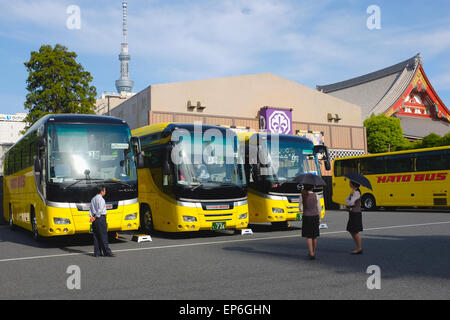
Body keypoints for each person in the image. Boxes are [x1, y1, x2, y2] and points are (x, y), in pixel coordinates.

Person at [89, 185, 115, 257]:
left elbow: (90, 209)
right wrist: (95, 217)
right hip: (100, 218)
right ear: (102, 191)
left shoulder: (93, 198)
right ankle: (107, 252)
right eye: (104, 190)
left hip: (94, 219)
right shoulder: (101, 199)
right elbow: (100, 210)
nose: (105, 192)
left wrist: (91, 217)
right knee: (103, 235)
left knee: (96, 236)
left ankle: (97, 253)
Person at [300, 184, 321, 260]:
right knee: (314, 235)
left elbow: (300, 208)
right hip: (315, 216)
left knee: (308, 236)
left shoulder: (302, 195)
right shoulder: (316, 195)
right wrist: (319, 219)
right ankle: (314, 251)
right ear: (313, 187)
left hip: (306, 217)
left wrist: (305, 210)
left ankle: (311, 252)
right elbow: (319, 208)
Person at [346, 181, 363, 254]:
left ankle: (359, 248)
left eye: (350, 183)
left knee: (355, 231)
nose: (349, 184)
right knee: (351, 230)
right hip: (352, 212)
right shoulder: (353, 191)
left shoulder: (356, 192)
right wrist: (349, 200)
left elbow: (350, 202)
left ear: (353, 184)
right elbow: (347, 200)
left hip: (356, 213)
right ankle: (358, 247)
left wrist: (349, 202)